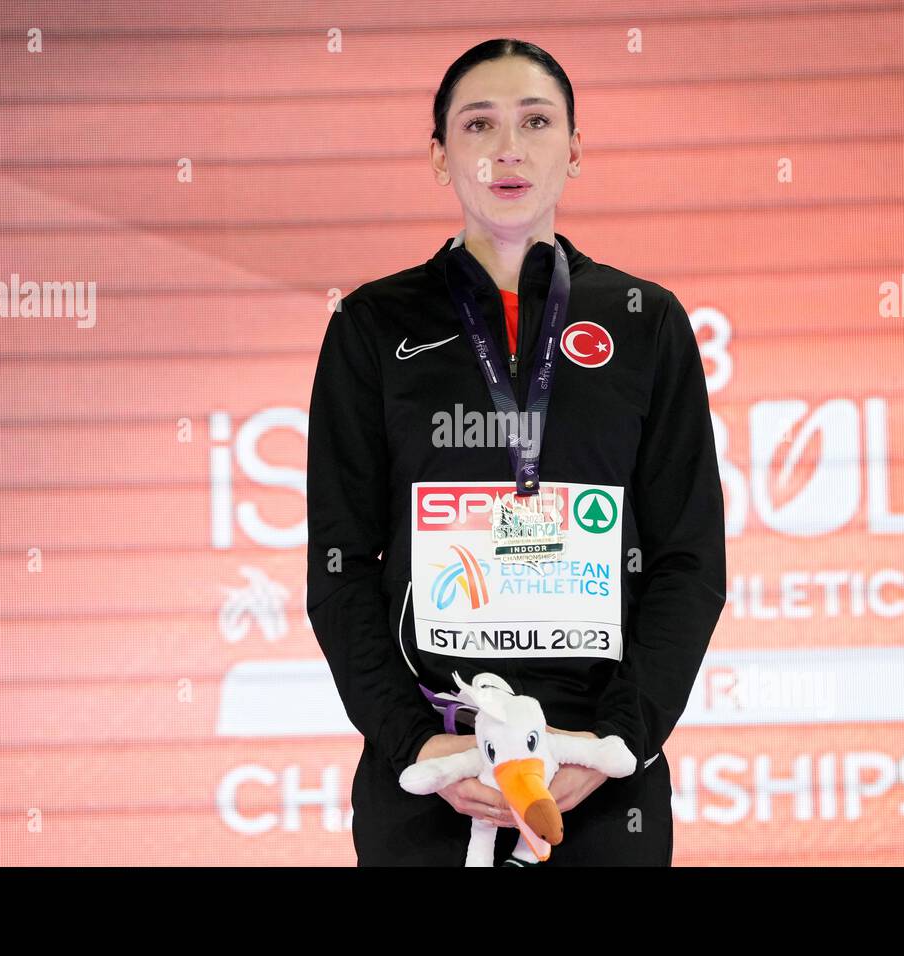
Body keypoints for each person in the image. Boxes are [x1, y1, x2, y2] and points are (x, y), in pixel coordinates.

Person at [306, 38, 726, 866]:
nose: (508, 148)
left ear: (574, 149)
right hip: (434, 767)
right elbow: (341, 564)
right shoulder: (373, 326)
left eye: (536, 122)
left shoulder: (645, 322)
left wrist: (619, 738)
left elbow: (689, 561)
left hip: (600, 774)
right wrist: (413, 742)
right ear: (439, 156)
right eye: (478, 125)